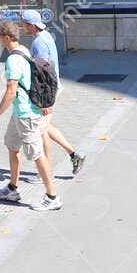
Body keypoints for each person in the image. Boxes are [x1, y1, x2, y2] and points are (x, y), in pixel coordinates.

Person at [0, 20, 62, 211]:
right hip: (19, 113)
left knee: (36, 154)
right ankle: (12, 188)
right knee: (12, 146)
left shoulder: (13, 60)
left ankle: (52, 197)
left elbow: (11, 91)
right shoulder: (24, 50)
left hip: (27, 114)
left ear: (6, 38)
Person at [21, 10, 84, 176]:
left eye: (24, 24)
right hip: (53, 89)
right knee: (46, 127)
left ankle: (46, 172)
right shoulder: (46, 36)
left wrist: (45, 101)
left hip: (48, 92)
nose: (22, 27)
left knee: (41, 132)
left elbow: (44, 72)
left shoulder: (38, 44)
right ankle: (74, 154)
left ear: (32, 25)